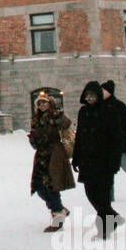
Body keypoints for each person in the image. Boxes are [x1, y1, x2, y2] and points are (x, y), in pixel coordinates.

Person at [71, 82, 123, 238]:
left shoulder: (109, 112)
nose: (89, 98)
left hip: (104, 160)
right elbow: (79, 136)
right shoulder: (83, 112)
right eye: (87, 95)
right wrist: (76, 158)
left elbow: (117, 139)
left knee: (102, 195)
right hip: (87, 160)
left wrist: (115, 162)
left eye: (92, 95)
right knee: (90, 193)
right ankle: (112, 217)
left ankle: (104, 229)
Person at [28, 93, 76, 230]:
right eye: (39, 103)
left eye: (44, 103)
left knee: (51, 185)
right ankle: (59, 209)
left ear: (50, 103)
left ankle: (57, 215)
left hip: (55, 154)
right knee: (40, 187)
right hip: (41, 155)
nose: (41, 105)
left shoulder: (55, 115)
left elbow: (67, 124)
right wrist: (33, 139)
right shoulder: (36, 119)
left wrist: (57, 117)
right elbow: (35, 137)